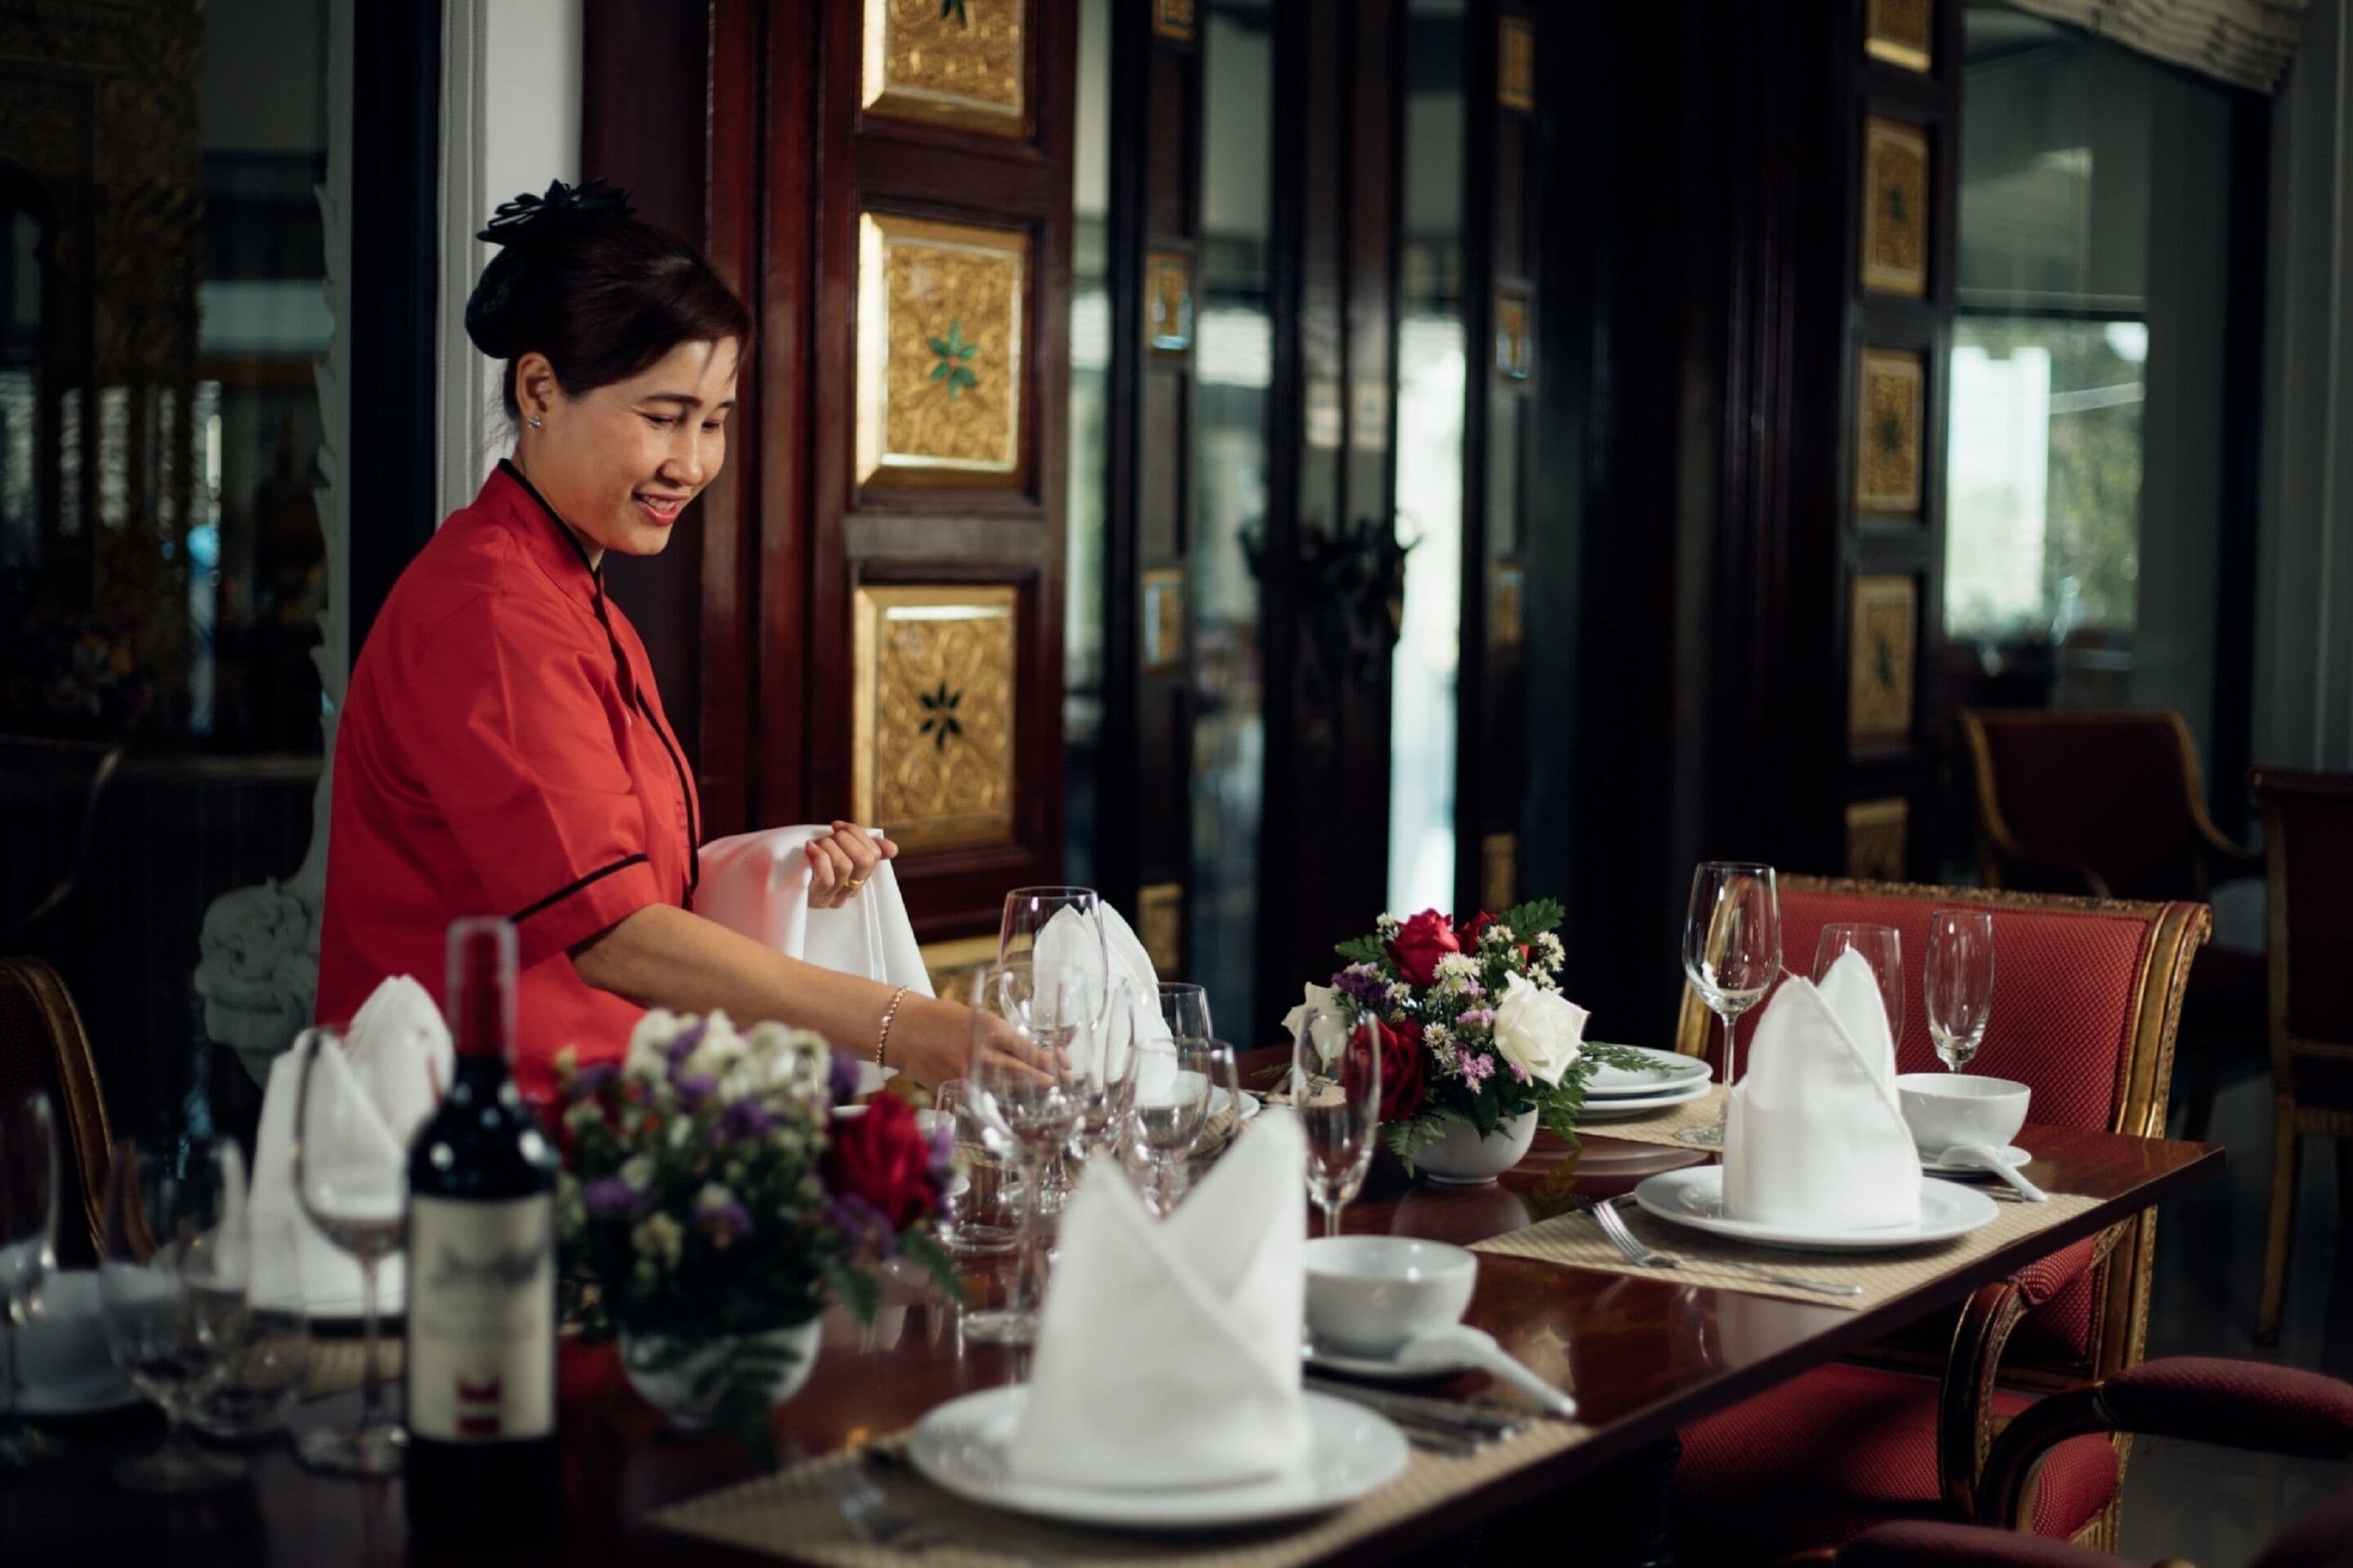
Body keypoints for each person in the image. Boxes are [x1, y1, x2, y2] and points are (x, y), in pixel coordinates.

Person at [319, 179, 1029, 1098]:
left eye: (714, 422)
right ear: (540, 388)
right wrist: (907, 1026)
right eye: (662, 418)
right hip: (471, 1126)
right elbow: (613, 933)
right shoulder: (492, 610)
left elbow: (610, 883)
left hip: (592, 1103)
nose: (689, 464)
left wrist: (786, 869)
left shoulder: (577, 599)